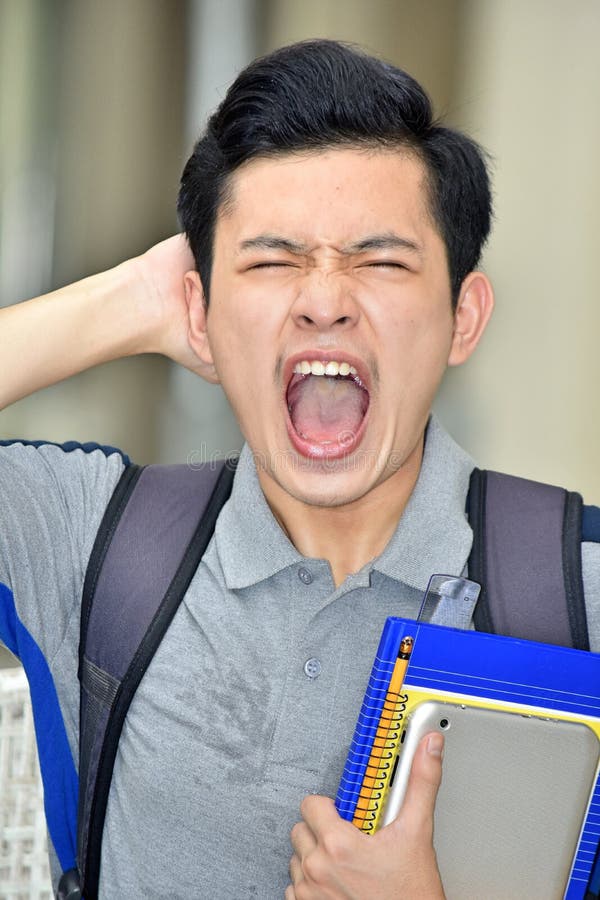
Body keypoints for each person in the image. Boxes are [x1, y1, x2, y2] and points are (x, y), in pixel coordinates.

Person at [0, 39, 598, 899]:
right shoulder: (95, 538)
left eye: (381, 260)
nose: (324, 299)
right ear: (198, 315)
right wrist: (124, 301)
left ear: (464, 317)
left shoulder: (582, 589)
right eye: (273, 261)